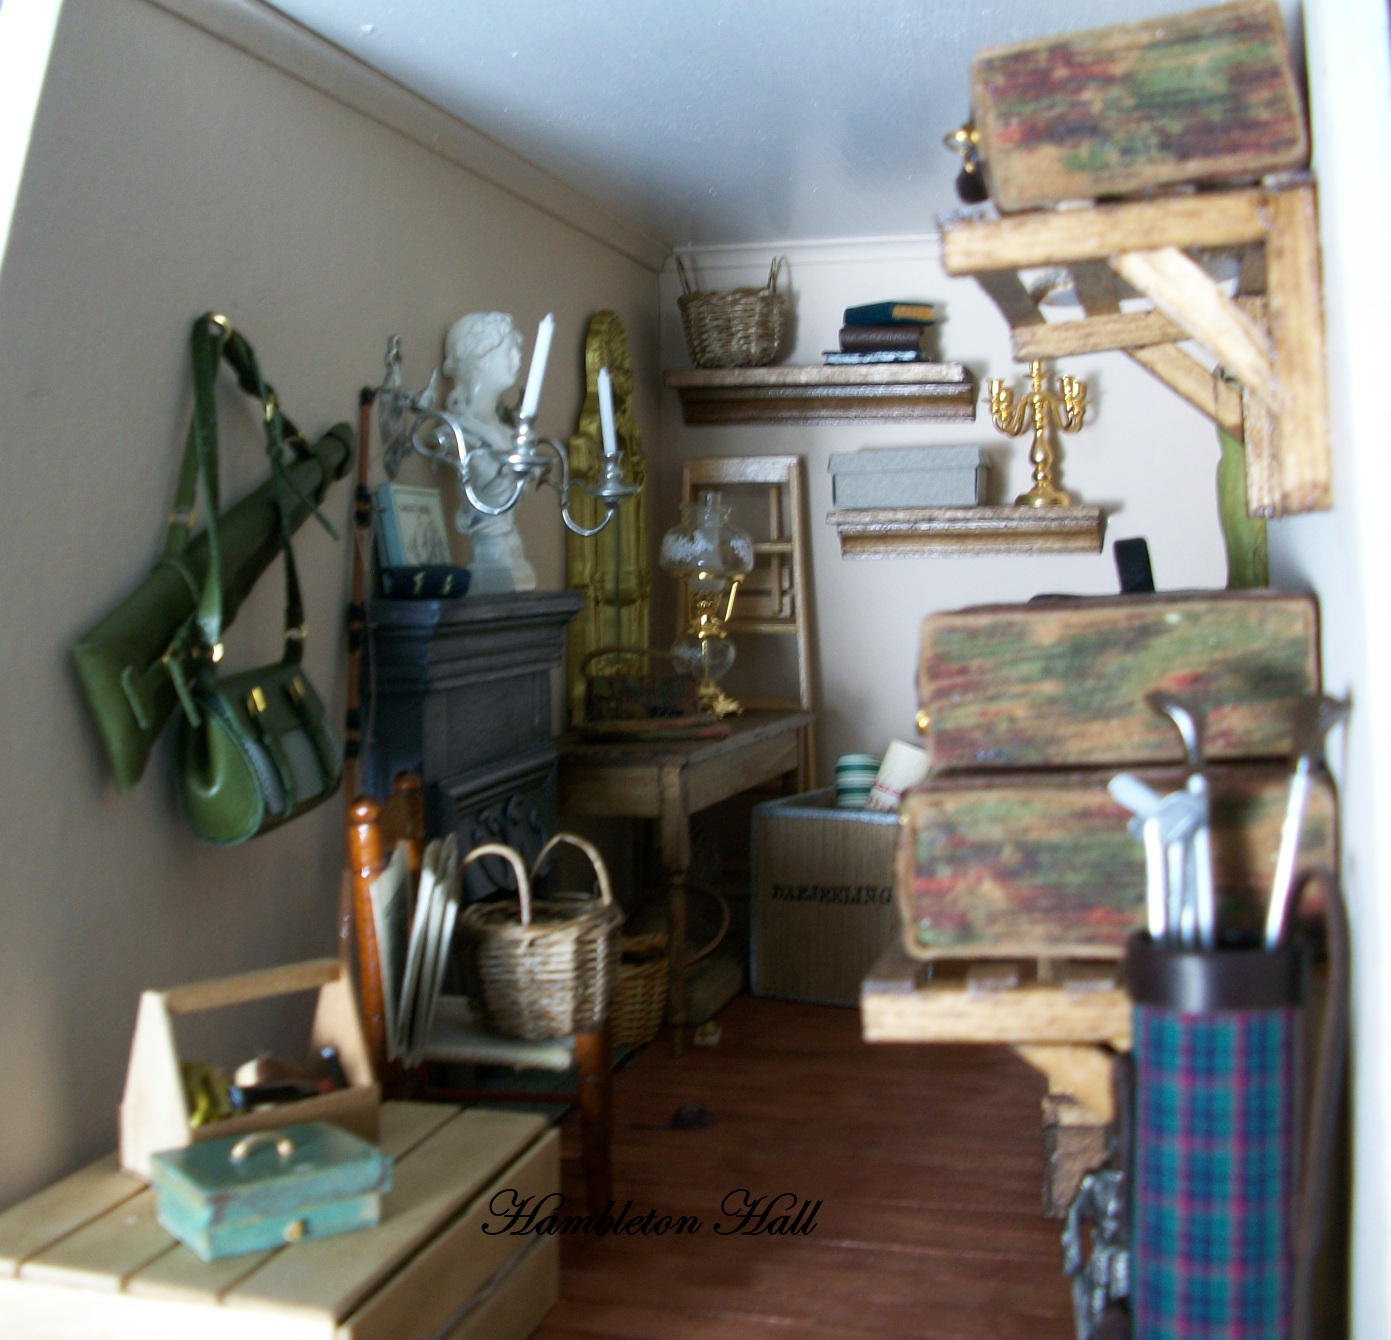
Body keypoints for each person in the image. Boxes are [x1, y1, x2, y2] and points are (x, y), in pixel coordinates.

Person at [442, 312, 537, 593]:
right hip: (489, 553)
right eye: (508, 350)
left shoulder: (509, 434)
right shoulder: (458, 433)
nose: (517, 358)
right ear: (480, 358)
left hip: (509, 550)